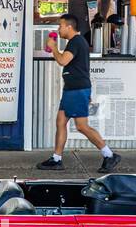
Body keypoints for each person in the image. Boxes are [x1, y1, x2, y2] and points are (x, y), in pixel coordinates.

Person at [37, 13, 121, 173]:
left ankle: (109, 155)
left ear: (69, 27)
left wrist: (54, 47)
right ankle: (56, 159)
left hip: (76, 90)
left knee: (82, 126)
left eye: (60, 26)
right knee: (61, 122)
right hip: (73, 89)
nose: (58, 29)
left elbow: (63, 61)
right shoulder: (76, 42)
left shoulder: (75, 42)